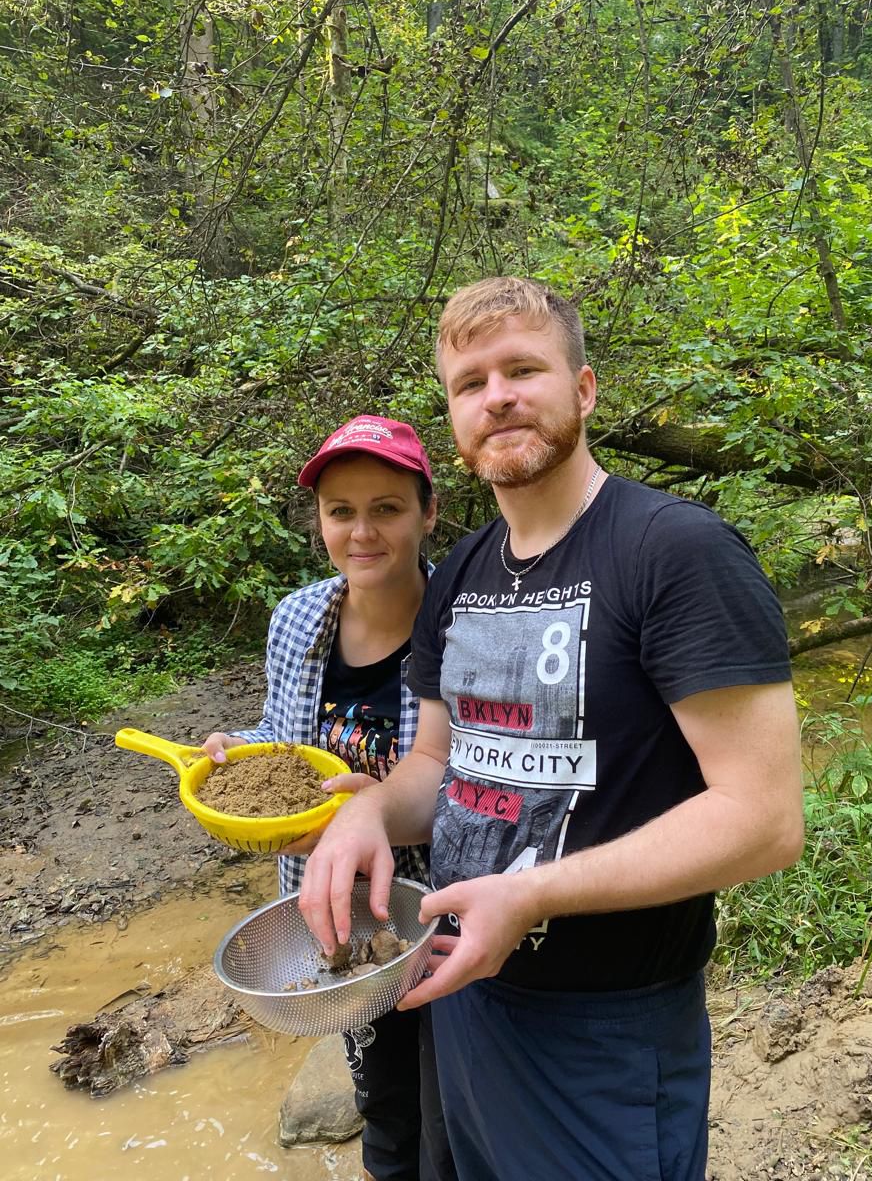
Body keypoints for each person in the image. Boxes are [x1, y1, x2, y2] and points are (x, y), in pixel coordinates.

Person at [299, 278, 805, 1181]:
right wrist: (373, 813)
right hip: (459, 991)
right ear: (455, 417)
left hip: (606, 1025)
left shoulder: (675, 553)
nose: (497, 397)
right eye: (469, 382)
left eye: (523, 369)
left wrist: (532, 895)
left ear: (584, 389)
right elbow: (434, 763)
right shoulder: (457, 573)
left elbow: (763, 819)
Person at [201, 414, 456, 1181]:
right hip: (340, 923)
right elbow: (283, 742)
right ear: (319, 520)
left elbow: (497, 780)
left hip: (446, 914)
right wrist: (233, 752)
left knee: (455, 1117)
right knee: (384, 1107)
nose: (362, 532)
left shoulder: (465, 620)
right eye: (341, 511)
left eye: (387, 508)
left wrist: (378, 801)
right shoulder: (298, 618)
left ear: (428, 512)